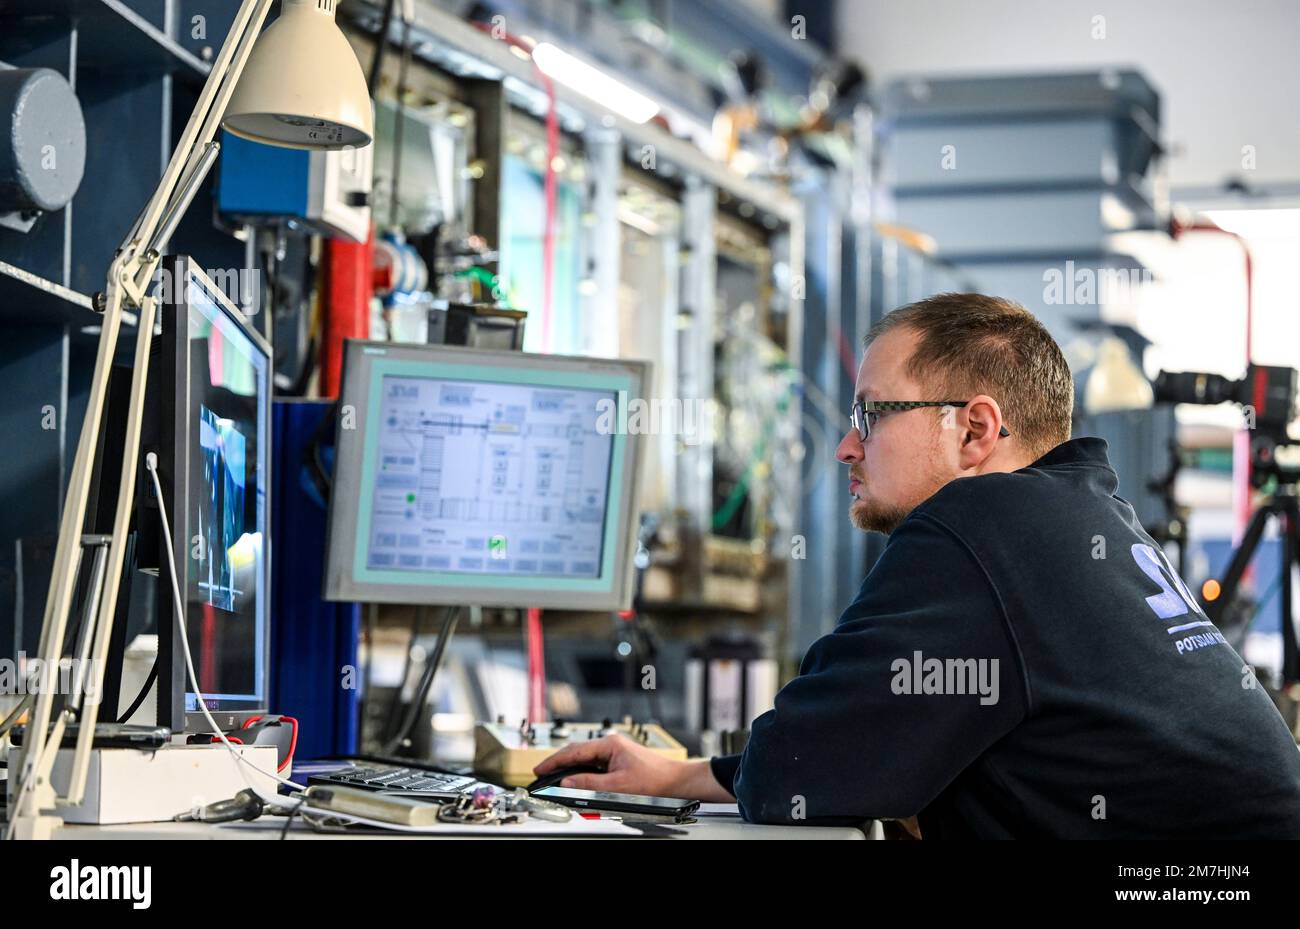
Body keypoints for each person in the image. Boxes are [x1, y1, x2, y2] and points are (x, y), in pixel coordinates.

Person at [534, 293, 1300, 838]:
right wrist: (677, 775)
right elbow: (843, 743)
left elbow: (800, 765)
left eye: (871, 413)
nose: (846, 445)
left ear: (975, 431)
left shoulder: (982, 519)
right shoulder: (1082, 516)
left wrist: (719, 771)